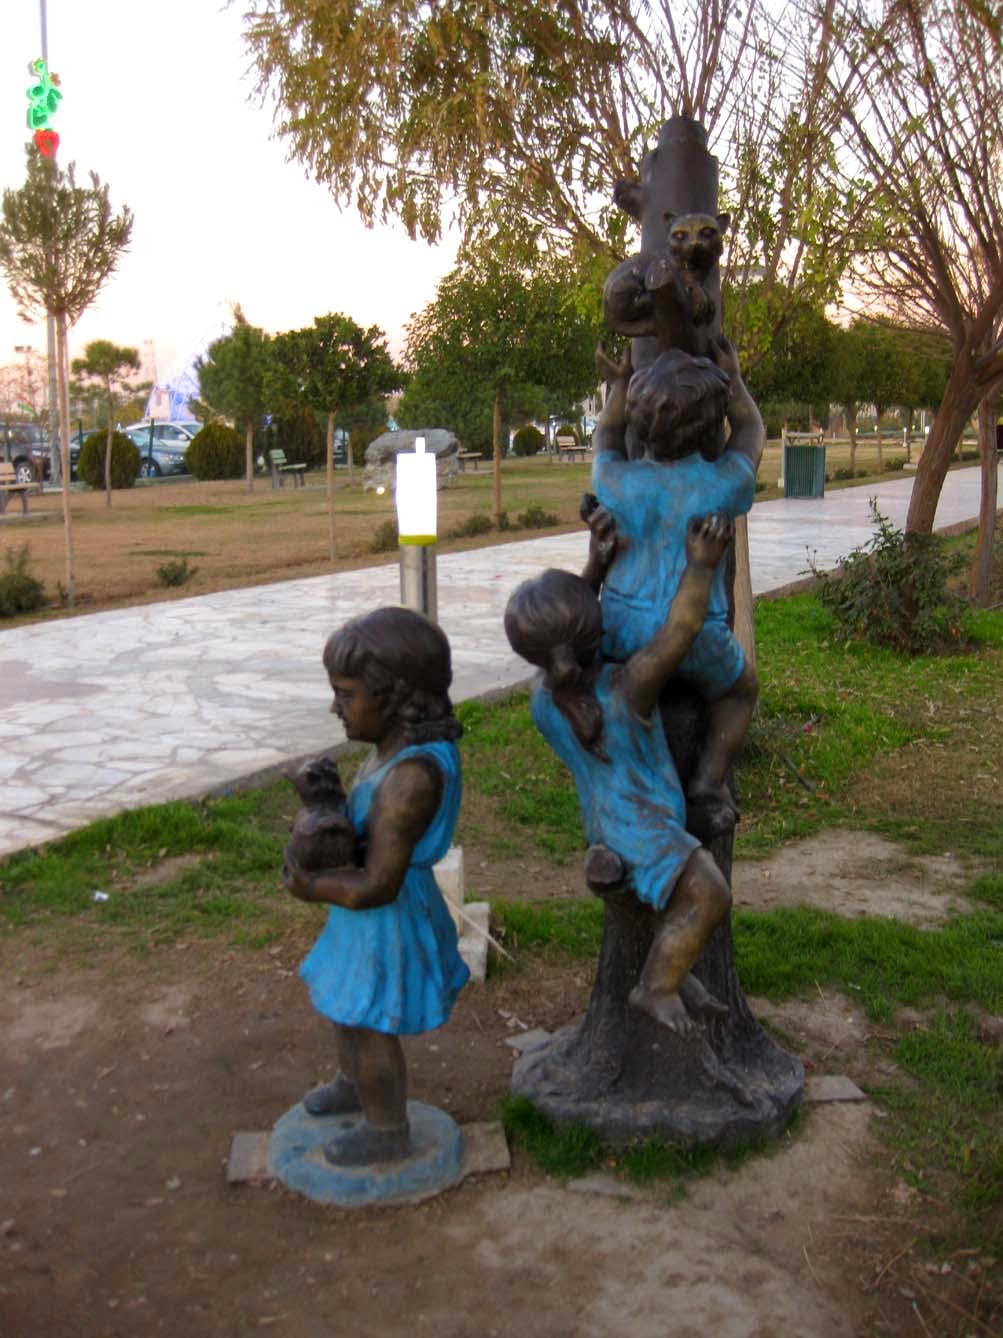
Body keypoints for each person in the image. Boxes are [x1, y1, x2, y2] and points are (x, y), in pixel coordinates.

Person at [504, 513, 735, 1036]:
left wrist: (596, 565)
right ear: (597, 632)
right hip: (642, 831)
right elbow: (681, 630)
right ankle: (656, 986)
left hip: (606, 830)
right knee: (710, 894)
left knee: (663, 903)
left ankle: (676, 968)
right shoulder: (626, 693)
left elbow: (562, 640)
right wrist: (700, 566)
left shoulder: (545, 700)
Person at [282, 607, 469, 1167]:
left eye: (346, 693)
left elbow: (379, 883)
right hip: (359, 916)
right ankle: (351, 1082)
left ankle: (387, 1126)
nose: (335, 707)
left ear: (394, 697)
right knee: (347, 1008)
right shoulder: (391, 751)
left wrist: (311, 885)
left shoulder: (410, 779)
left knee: (369, 1025)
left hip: (386, 921)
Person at [590, 340, 764, 838]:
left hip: (622, 631)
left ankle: (619, 798)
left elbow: (606, 433)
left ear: (642, 428)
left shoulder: (618, 482)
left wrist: (620, 383)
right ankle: (707, 786)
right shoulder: (720, 486)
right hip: (697, 637)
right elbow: (751, 431)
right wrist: (734, 377)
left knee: (613, 695)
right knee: (740, 690)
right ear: (711, 427)